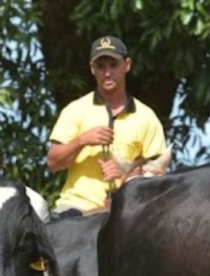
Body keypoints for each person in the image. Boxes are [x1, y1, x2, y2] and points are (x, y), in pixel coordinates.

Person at [46, 35, 169, 214]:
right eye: (101, 66)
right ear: (92, 69)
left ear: (127, 65)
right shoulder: (75, 110)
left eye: (113, 65)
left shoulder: (146, 116)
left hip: (126, 212)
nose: (107, 72)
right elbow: (53, 162)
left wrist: (125, 174)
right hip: (76, 209)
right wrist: (82, 140)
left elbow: (159, 175)